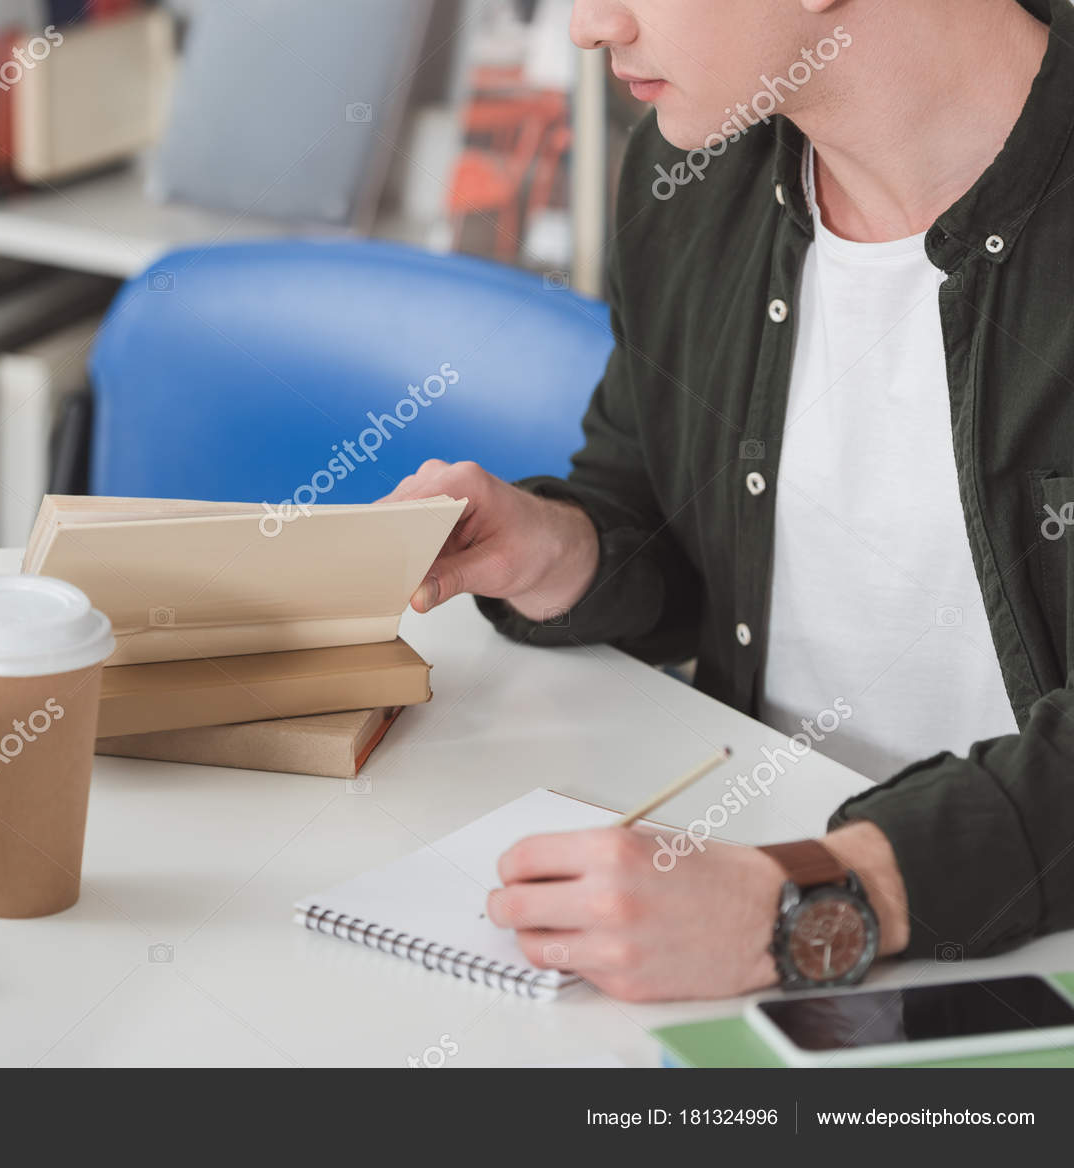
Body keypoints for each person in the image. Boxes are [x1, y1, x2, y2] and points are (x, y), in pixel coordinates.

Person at [386, 0, 1074, 1001]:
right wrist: (562, 551)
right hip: (753, 904)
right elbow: (663, 508)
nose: (589, 25)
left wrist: (811, 897)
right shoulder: (692, 177)